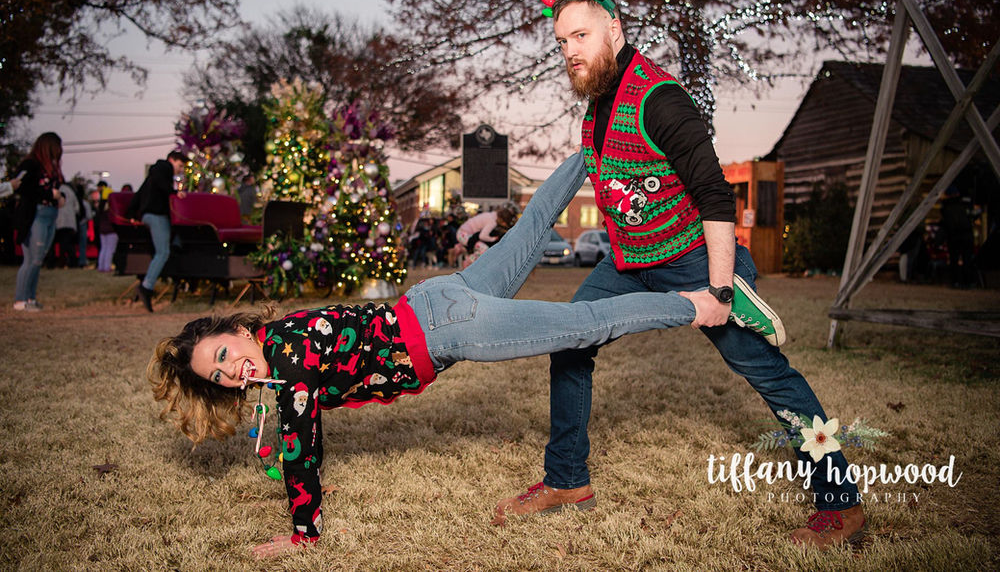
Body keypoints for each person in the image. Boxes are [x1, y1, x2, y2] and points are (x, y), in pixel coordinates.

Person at [148, 153, 784, 558]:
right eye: (220, 375)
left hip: (449, 326)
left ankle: (702, 303)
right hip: (436, 298)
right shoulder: (280, 354)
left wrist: (300, 531)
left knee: (582, 324)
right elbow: (284, 437)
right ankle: (595, 149)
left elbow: (297, 441)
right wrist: (285, 468)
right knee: (535, 223)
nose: (233, 369)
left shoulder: (286, 368)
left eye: (225, 352)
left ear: (238, 329)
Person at [492, 0, 865, 550]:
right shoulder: (596, 104)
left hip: (694, 261)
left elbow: (717, 196)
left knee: (766, 371)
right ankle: (568, 480)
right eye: (562, 41)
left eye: (582, 35)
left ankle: (840, 504)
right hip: (627, 260)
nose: (570, 50)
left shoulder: (659, 98)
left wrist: (718, 291)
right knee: (570, 341)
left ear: (615, 29)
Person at [12, 132, 66, 311]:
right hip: (35, 215)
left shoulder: (51, 167)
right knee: (32, 259)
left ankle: (30, 298)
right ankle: (21, 300)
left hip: (51, 213)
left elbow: (56, 189)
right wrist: (49, 195)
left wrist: (60, 197)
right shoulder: (31, 165)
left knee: (39, 258)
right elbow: (23, 188)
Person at [128, 151, 187, 311]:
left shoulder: (155, 173)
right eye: (180, 165)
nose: (180, 170)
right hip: (156, 215)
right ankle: (146, 286)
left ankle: (148, 284)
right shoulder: (163, 169)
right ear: (172, 160)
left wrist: (133, 212)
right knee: (162, 253)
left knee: (168, 246)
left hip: (149, 215)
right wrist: (175, 193)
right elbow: (162, 185)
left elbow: (140, 192)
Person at [49, 181, 80, 269]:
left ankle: (57, 262)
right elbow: (77, 208)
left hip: (58, 221)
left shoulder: (57, 190)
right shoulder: (71, 192)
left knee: (57, 244)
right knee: (68, 244)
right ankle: (72, 262)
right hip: (70, 222)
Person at [95, 181, 118, 273]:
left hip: (102, 230)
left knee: (104, 248)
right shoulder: (111, 208)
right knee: (110, 249)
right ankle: (107, 266)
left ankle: (101, 266)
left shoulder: (100, 207)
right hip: (111, 230)